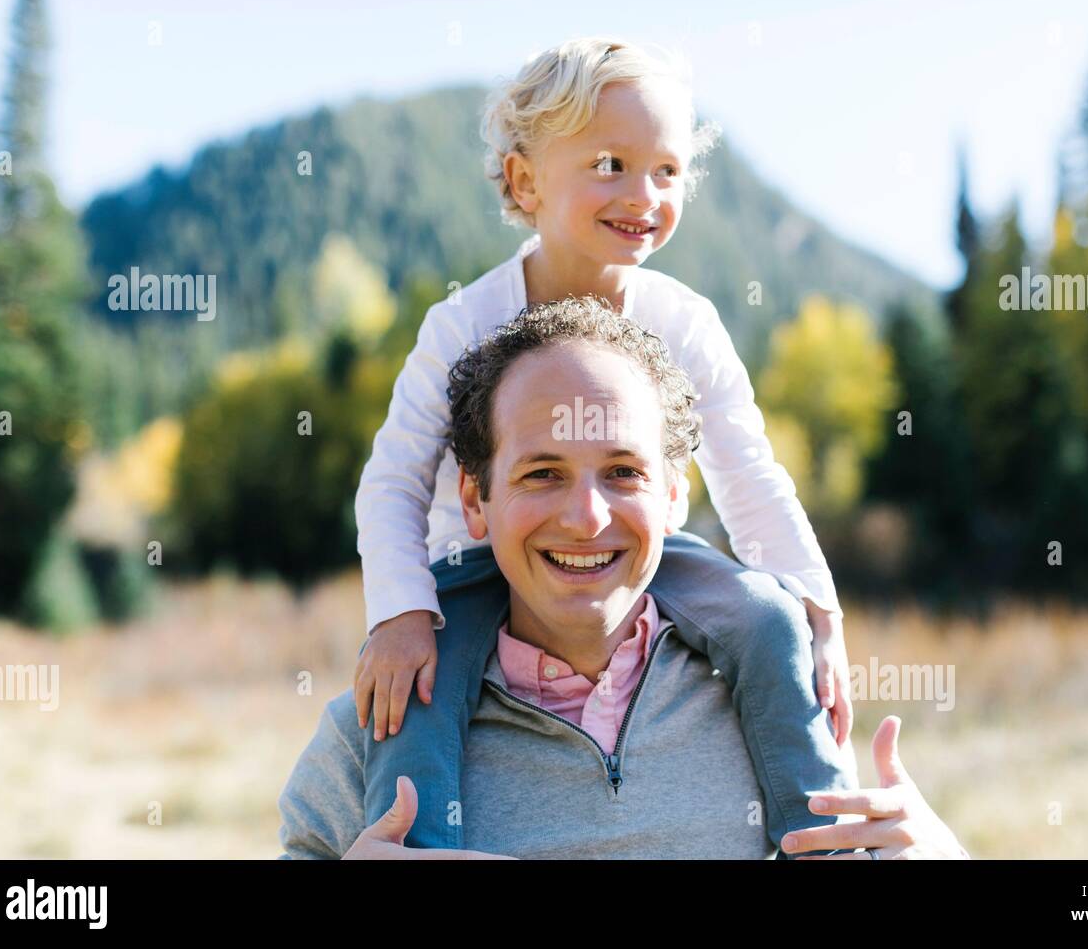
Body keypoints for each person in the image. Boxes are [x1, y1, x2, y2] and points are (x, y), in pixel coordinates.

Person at [351, 36, 860, 855]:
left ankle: (822, 833)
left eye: (665, 172)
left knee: (770, 620)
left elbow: (749, 476)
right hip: (483, 558)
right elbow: (392, 485)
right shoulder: (464, 322)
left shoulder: (685, 322)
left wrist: (818, 611)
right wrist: (403, 612)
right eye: (611, 164)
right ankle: (411, 845)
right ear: (524, 180)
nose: (644, 195)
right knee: (417, 692)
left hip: (643, 543)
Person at [279, 298, 969, 860]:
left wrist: (938, 857)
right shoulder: (379, 724)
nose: (586, 517)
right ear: (473, 501)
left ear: (674, 497)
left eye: (623, 472)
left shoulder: (772, 697)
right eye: (541, 473)